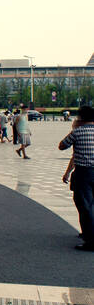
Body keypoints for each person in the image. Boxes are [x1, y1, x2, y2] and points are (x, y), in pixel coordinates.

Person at [59, 105, 94, 251]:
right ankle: (89, 233)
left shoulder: (77, 132)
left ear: (80, 117)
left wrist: (74, 129)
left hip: (83, 173)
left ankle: (90, 240)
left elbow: (62, 146)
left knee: (85, 206)